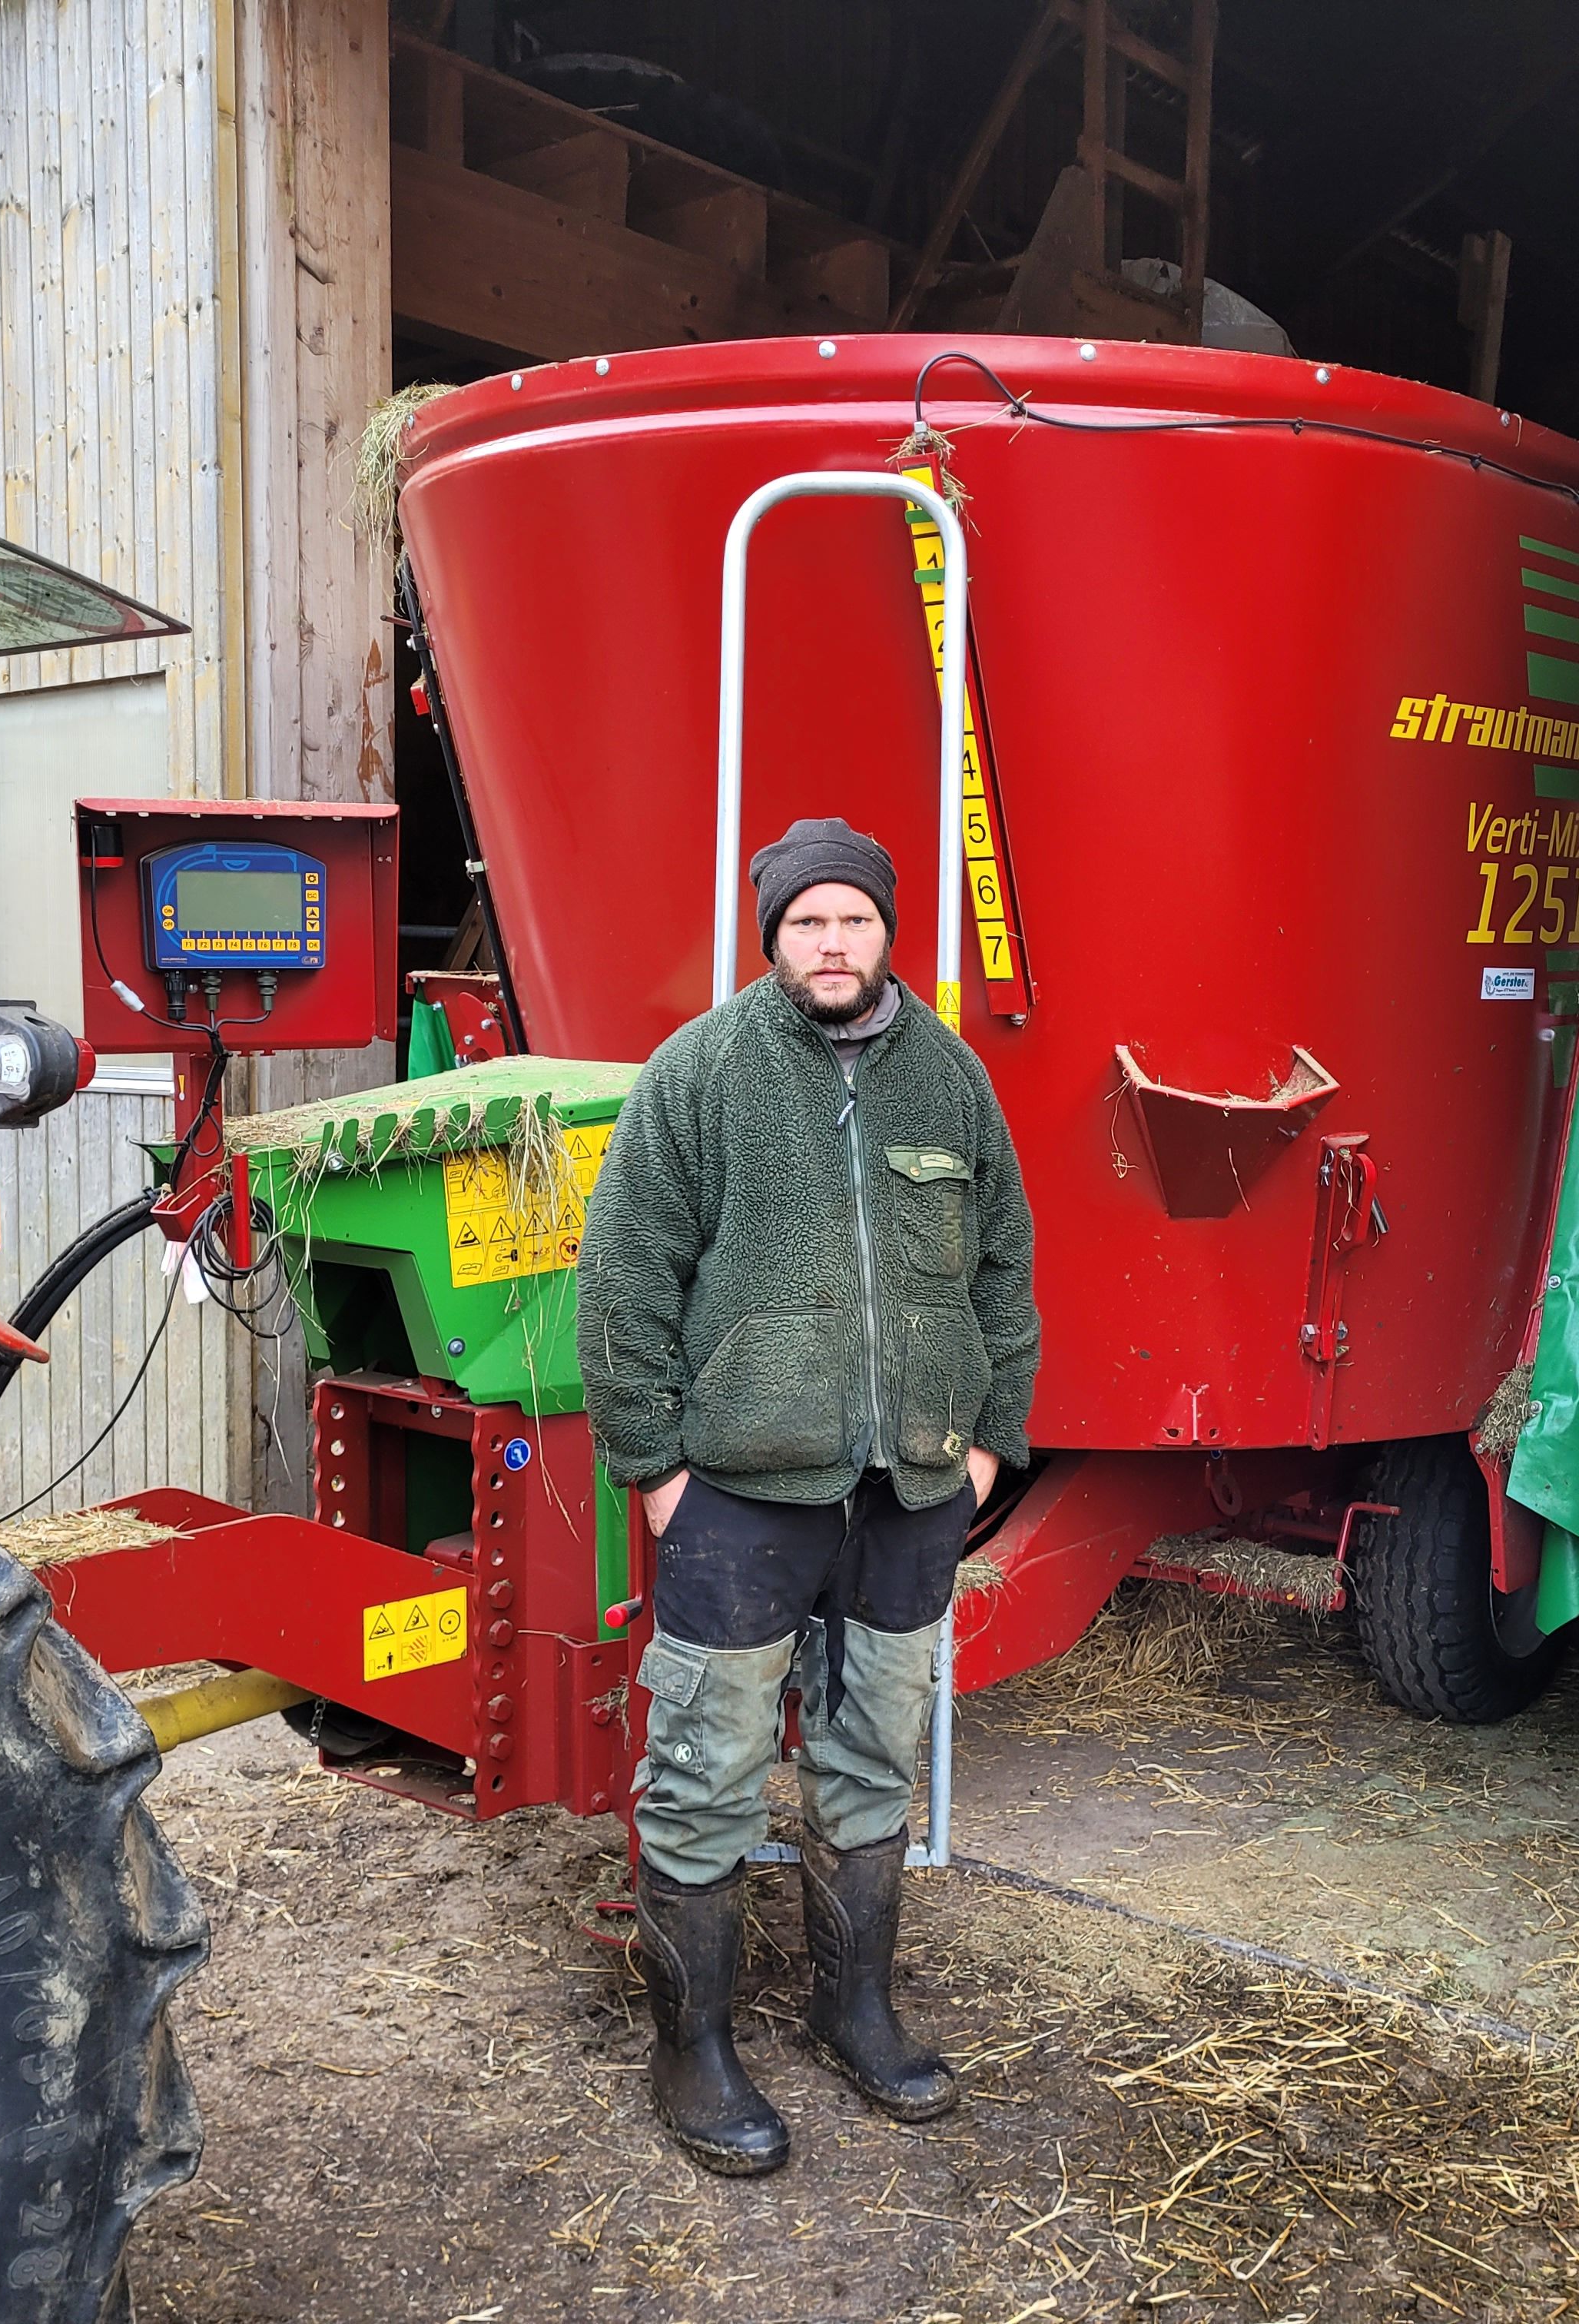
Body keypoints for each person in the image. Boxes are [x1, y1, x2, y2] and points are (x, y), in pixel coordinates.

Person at [576, 814, 1040, 2176]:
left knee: (873, 1761)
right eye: (805, 923)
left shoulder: (949, 1081)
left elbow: (1005, 1265)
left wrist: (986, 1447)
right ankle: (695, 2050)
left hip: (907, 1492)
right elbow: (622, 1284)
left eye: (853, 921)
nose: (831, 945)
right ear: (771, 934)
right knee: (707, 1770)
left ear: (887, 932)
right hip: (737, 1497)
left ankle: (857, 2012)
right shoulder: (702, 1075)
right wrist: (655, 1471)